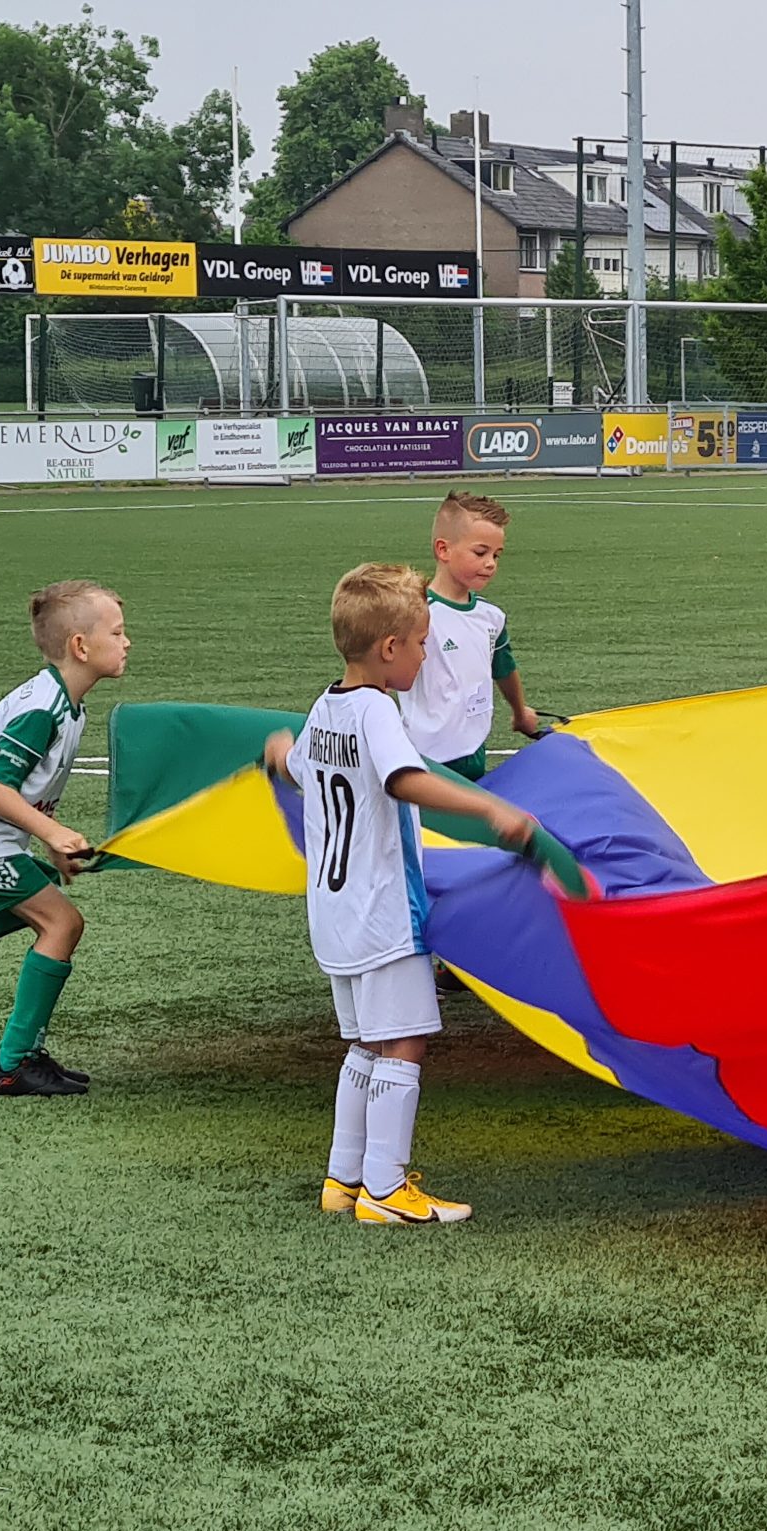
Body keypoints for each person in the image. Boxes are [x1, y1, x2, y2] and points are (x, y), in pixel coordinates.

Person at [263, 563, 539, 1224]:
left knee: (366, 1044)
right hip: (383, 910)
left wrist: (277, 754)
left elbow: (296, 768)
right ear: (389, 648)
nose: (424, 655)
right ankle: (385, 1190)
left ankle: (343, 1179)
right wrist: (487, 808)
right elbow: (402, 779)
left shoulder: (325, 707)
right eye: (420, 644)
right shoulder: (375, 710)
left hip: (334, 913)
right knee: (407, 1041)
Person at [0, 582, 129, 1096]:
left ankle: (21, 1055)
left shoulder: (66, 703)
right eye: (117, 632)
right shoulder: (44, 709)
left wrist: (49, 842)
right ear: (80, 646)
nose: (127, 641)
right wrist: (52, 831)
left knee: (61, 923)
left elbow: (29, 786)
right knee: (61, 923)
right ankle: (12, 1065)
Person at [398, 491, 543, 782]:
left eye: (496, 555)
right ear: (443, 550)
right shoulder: (414, 613)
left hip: (474, 751)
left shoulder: (491, 617)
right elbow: (382, 674)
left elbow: (503, 668)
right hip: (424, 759)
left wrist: (520, 712)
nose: (490, 563)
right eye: (480, 553)